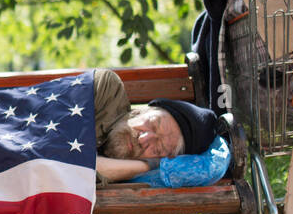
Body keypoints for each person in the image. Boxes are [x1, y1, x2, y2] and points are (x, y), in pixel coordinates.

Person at [91, 68, 221, 183]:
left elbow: (79, 171)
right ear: (141, 111)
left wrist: (145, 166)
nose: (143, 139)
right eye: (152, 124)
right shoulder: (107, 89)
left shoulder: (130, 172)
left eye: (157, 149)